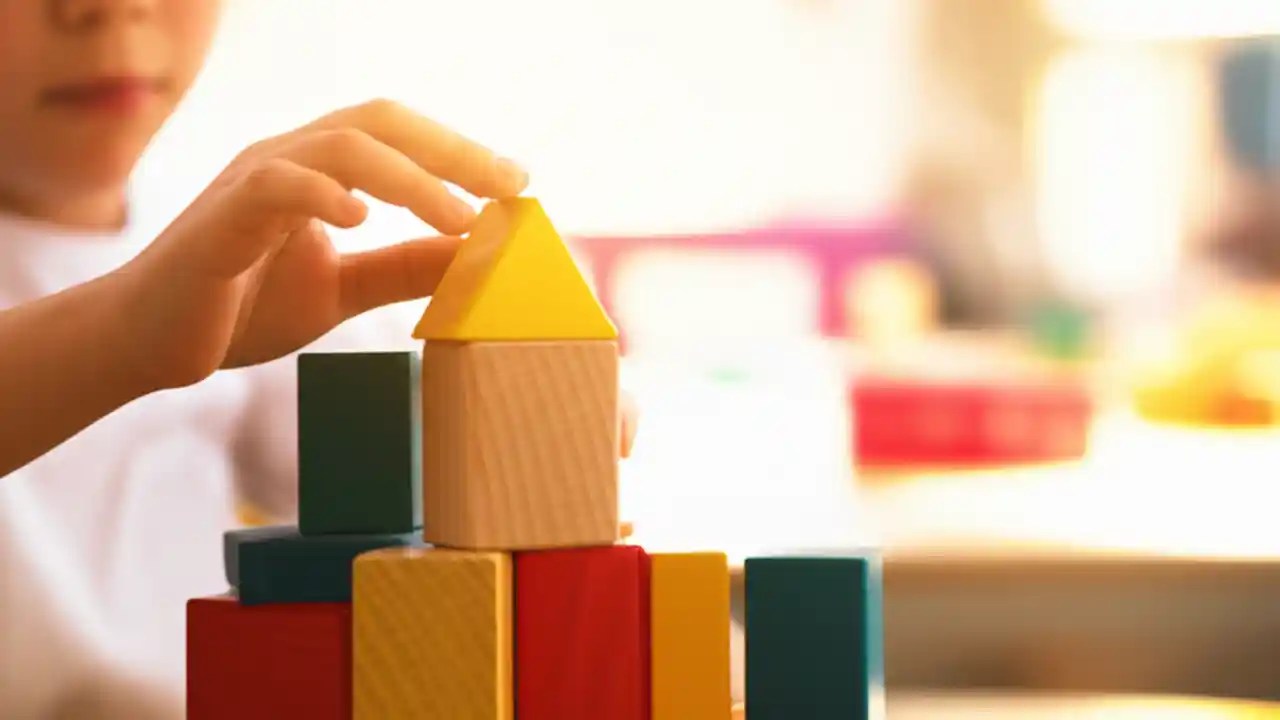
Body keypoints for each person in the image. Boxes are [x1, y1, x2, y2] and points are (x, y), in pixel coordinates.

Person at [0, 2, 637, 717]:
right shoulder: (190, 270)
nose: (107, 8)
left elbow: (394, 487)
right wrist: (123, 335)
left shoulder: (229, 251)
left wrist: (527, 413)